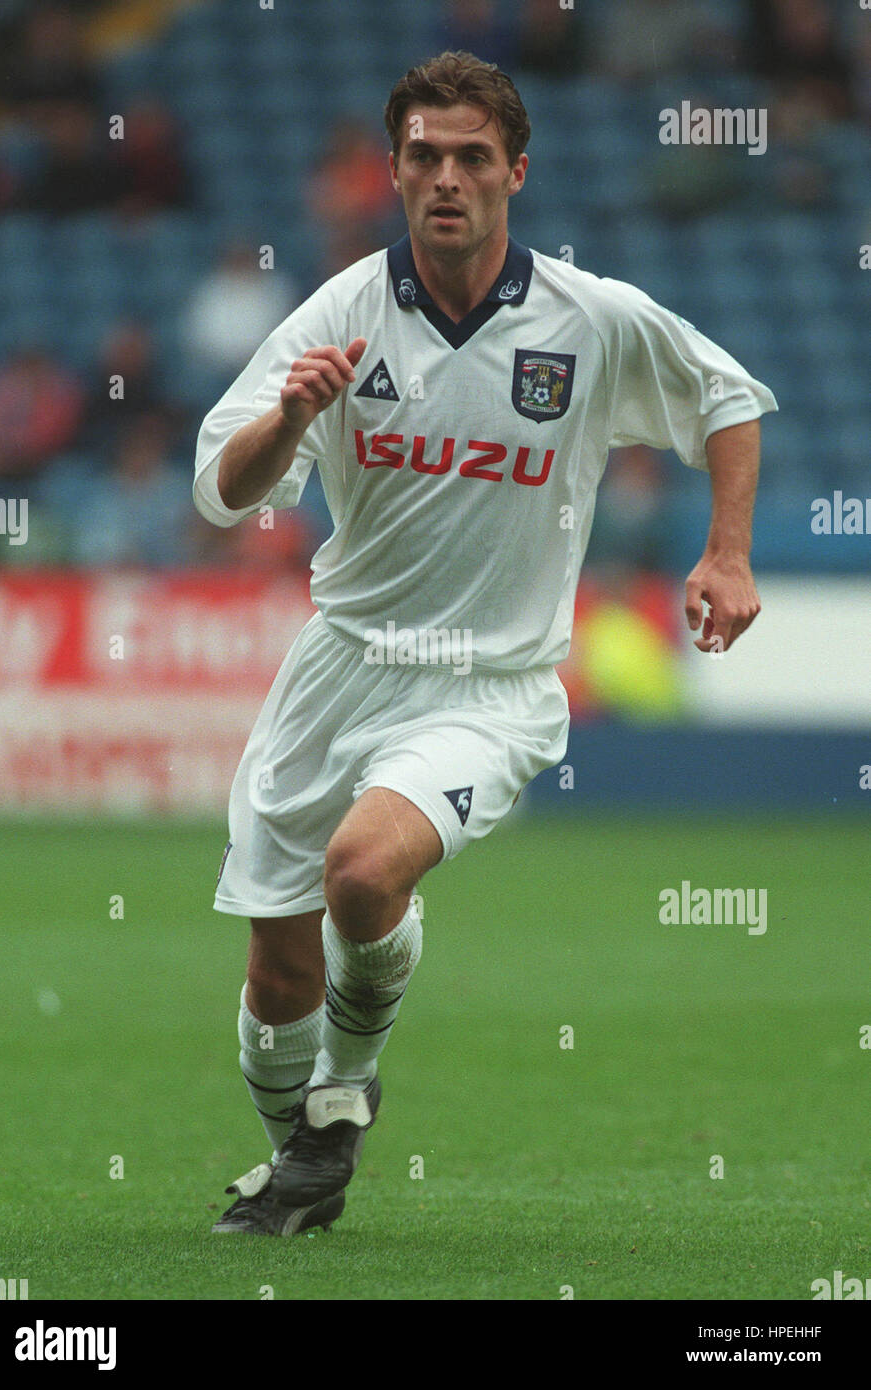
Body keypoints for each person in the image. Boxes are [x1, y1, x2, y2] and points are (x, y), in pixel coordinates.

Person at [193, 50, 778, 1237]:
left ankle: (345, 1094)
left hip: (490, 683)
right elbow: (221, 487)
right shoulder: (342, 315)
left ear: (517, 170)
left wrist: (727, 553)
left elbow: (727, 396)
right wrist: (291, 417)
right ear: (395, 169)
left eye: (472, 156)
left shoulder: (590, 317)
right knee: (277, 969)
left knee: (364, 872)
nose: (447, 178)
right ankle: (301, 1150)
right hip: (340, 667)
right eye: (425, 155)